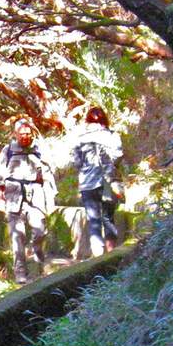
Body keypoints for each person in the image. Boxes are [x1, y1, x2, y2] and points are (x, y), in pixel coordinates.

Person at [0, 118, 55, 284]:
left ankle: (37, 260)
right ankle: (20, 272)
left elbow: (48, 173)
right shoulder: (8, 150)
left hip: (35, 194)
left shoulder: (39, 149)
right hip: (13, 195)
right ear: (15, 134)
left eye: (28, 134)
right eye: (21, 134)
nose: (25, 137)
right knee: (17, 236)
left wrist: (50, 195)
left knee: (40, 230)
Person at [71, 105, 123, 256]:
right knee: (108, 218)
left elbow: (76, 162)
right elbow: (118, 156)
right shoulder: (112, 136)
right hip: (108, 182)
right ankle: (111, 255)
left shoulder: (80, 139)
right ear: (105, 120)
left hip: (87, 183)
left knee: (94, 221)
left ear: (87, 121)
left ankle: (98, 257)